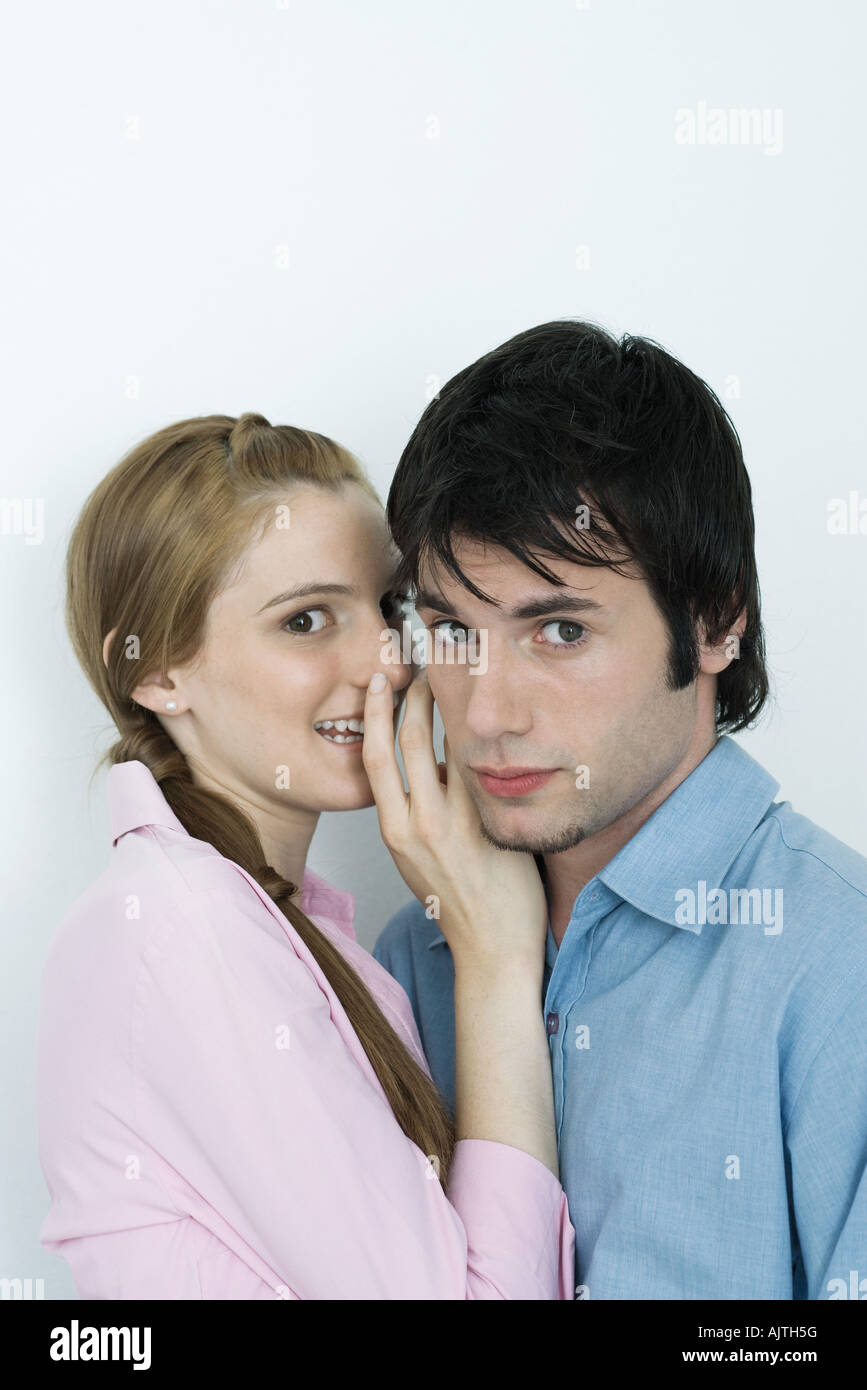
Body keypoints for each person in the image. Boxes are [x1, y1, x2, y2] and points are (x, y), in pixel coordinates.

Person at [373, 320, 867, 1301]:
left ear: (717, 619)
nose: (490, 713)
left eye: (558, 629)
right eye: (452, 631)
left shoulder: (838, 962)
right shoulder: (407, 960)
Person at [35, 411, 575, 1299]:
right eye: (307, 619)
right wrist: (494, 959)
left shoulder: (263, 921)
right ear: (154, 671)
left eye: (392, 605)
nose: (386, 658)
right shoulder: (180, 927)